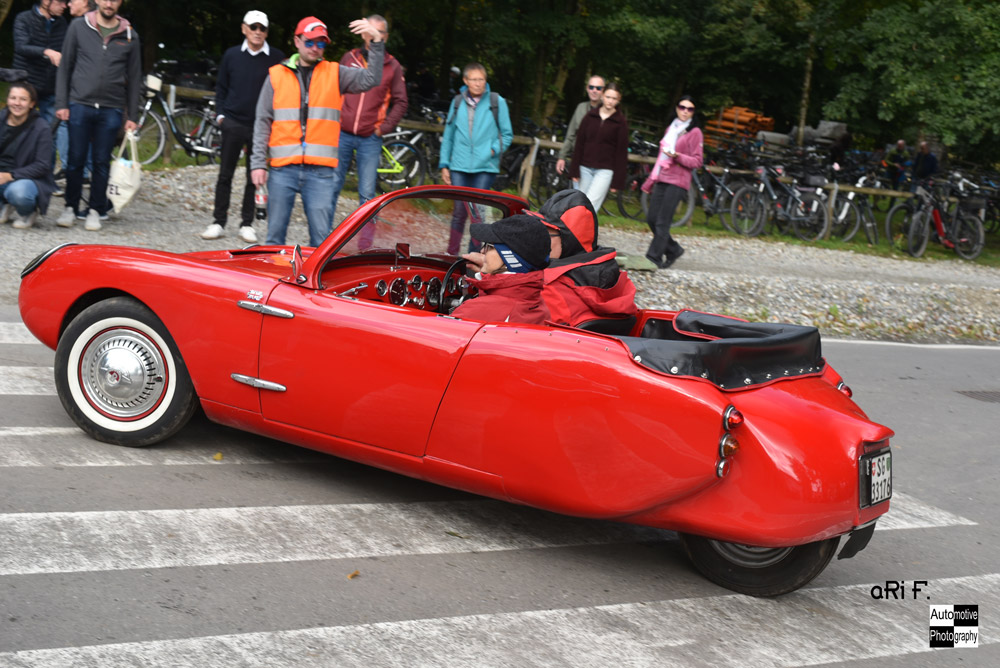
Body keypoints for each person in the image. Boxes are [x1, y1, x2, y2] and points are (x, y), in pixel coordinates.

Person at [250, 16, 385, 247]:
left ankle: (314, 284)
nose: (315, 48)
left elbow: (372, 79)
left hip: (321, 173)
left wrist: (377, 41)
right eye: (310, 42)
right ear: (297, 41)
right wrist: (258, 164)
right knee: (274, 239)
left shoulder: (335, 72)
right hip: (283, 169)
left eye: (321, 44)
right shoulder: (276, 74)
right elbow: (262, 121)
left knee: (321, 242)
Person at [54, 0, 141, 232]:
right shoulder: (78, 27)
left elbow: (134, 77)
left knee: (102, 162)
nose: (109, 3)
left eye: (114, 0)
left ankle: (95, 209)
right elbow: (66, 67)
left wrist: (133, 114)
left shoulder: (129, 34)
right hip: (80, 103)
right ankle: (70, 207)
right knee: (75, 159)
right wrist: (62, 102)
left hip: (111, 107)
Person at [200, 10, 284, 243]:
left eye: (262, 28)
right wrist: (220, 117)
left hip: (262, 125)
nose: (258, 32)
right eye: (253, 27)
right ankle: (218, 221)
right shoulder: (232, 55)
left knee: (254, 176)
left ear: (266, 31)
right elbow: (221, 88)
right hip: (233, 122)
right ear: (244, 28)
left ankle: (247, 223)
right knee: (225, 174)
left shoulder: (277, 58)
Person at [329, 14, 408, 249]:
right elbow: (334, 89)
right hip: (342, 133)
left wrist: (383, 128)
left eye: (380, 32)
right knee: (331, 187)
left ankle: (364, 247)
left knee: (367, 195)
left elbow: (402, 101)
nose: (375, 35)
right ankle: (323, 242)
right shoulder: (348, 57)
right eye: (371, 30)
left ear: (385, 36)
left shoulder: (392, 65)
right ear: (363, 32)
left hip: (370, 139)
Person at [438, 62, 513, 254]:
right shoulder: (457, 102)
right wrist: (444, 164)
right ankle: (451, 253)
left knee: (478, 212)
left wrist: (492, 151)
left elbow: (507, 134)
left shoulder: (497, 102)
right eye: (473, 79)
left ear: (485, 80)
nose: (478, 83)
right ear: (465, 81)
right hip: (459, 165)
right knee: (458, 213)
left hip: (485, 166)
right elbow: (448, 136)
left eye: (481, 79)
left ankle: (474, 256)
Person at [536, 190, 637, 326]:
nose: (538, 239)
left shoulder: (547, 289)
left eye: (546, 234)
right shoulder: (617, 281)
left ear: (569, 241)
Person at [451, 214, 551, 325]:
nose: (483, 251)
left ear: (509, 257)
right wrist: (489, 276)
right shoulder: (539, 307)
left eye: (489, 246)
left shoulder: (476, 311)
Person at [642, 95, 703, 269]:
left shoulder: (695, 132)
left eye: (689, 109)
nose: (685, 111)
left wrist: (678, 156)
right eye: (682, 107)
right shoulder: (671, 128)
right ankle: (673, 249)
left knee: (662, 221)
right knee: (652, 218)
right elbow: (662, 156)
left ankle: (653, 258)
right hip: (662, 176)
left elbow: (697, 161)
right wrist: (651, 179)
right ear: (676, 108)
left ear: (693, 112)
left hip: (678, 180)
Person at [0, 82, 57, 229]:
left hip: (26, 180)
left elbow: (42, 165)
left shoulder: (41, 128)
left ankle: (28, 212)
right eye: (13, 98)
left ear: (32, 104)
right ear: (8, 100)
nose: (17, 103)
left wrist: (9, 175)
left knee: (18, 193)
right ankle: (5, 205)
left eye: (23, 99)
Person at [569, 81, 628, 212]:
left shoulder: (620, 122)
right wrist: (574, 169)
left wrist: (617, 181)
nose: (610, 101)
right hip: (584, 166)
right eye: (608, 97)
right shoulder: (590, 117)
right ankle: (575, 231)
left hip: (605, 170)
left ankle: (583, 231)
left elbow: (621, 153)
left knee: (590, 205)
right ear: (602, 96)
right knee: (579, 203)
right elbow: (579, 144)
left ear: (619, 100)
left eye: (614, 98)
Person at [12, 0, 68, 127]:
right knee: (20, 129)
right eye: (60, 2)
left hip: (50, 87)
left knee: (51, 132)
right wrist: (46, 52)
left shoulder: (62, 22)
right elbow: (21, 47)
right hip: (26, 84)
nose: (64, 6)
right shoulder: (23, 18)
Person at [555, 74, 605, 178]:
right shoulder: (581, 108)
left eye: (598, 88)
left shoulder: (608, 111)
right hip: (579, 160)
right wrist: (562, 156)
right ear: (587, 89)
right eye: (591, 87)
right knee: (579, 193)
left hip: (600, 165)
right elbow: (571, 134)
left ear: (603, 91)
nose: (594, 90)